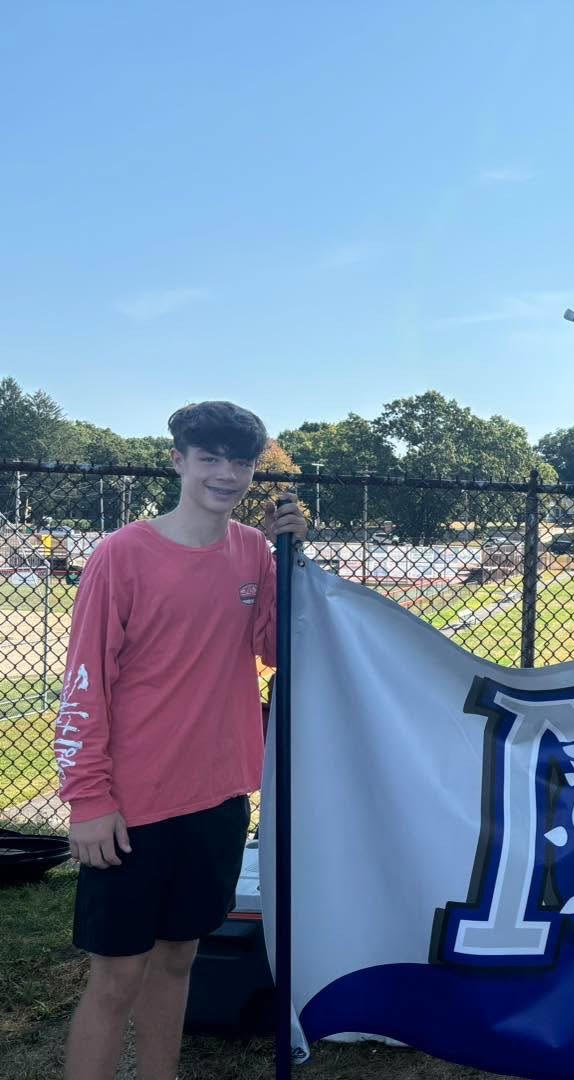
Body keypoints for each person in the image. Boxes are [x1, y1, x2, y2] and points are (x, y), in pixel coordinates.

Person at [55, 402, 307, 1080]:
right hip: (131, 808)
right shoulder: (122, 556)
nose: (226, 474)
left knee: (178, 960)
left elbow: (279, 648)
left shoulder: (254, 552)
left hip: (219, 797)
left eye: (241, 462)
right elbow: (84, 684)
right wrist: (87, 800)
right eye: (210, 458)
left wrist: (292, 559)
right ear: (178, 460)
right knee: (116, 978)